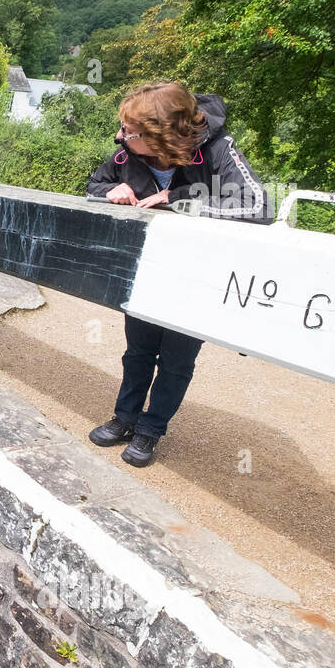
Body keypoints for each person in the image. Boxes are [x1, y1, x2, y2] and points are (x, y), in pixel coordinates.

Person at [85, 81, 273, 467]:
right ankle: (125, 418)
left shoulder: (218, 149)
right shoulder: (127, 156)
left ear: (159, 136)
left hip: (198, 281)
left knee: (175, 361)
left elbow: (258, 206)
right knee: (137, 352)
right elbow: (93, 185)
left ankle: (150, 431)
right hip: (148, 272)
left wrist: (179, 200)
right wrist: (111, 191)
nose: (120, 136)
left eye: (129, 132)